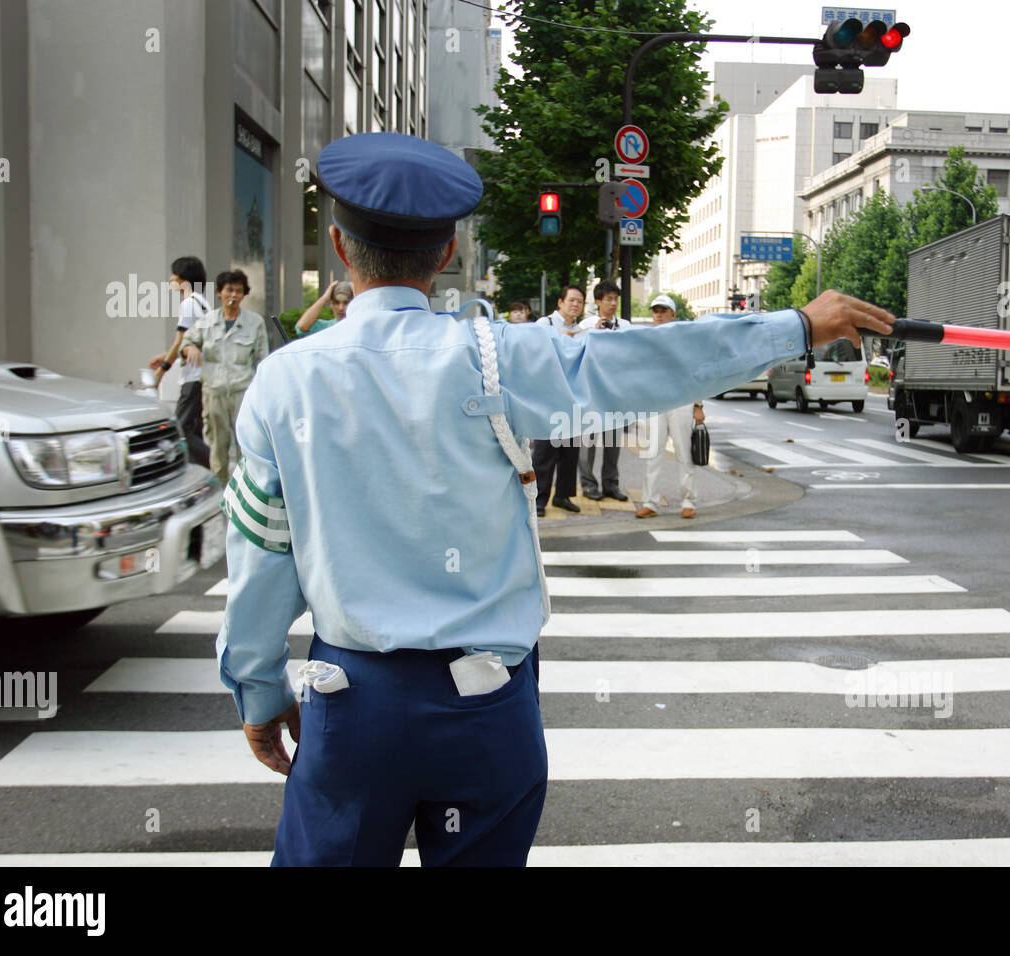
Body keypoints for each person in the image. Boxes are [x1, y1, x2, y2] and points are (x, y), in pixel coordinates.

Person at [215, 130, 893, 868]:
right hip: (486, 707)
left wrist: (256, 687)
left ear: (342, 251)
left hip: (351, 704)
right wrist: (793, 325)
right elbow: (645, 362)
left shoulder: (284, 382)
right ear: (444, 255)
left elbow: (261, 556)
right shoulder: (497, 355)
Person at [181, 268, 268, 488]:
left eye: (239, 291)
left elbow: (261, 361)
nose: (234, 295)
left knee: (246, 446)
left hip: (242, 394)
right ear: (219, 292)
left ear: (244, 294)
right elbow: (187, 341)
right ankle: (220, 493)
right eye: (229, 290)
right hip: (213, 393)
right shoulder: (207, 321)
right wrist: (190, 348)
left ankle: (245, 492)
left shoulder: (255, 322)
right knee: (217, 449)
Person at [635, 294, 704, 519]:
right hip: (655, 404)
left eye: (664, 311)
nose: (659, 315)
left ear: (673, 314)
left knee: (684, 454)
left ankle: (689, 502)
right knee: (652, 455)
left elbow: (697, 373)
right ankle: (650, 502)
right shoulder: (645, 340)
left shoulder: (686, 339)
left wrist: (698, 405)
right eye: (656, 311)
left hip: (681, 402)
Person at [148, 255, 211, 468]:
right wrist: (164, 356)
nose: (170, 278)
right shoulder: (202, 303)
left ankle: (214, 465)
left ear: (184, 279)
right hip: (204, 375)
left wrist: (162, 371)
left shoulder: (187, 305)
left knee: (182, 428)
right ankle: (200, 470)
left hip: (193, 377)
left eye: (174, 274)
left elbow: (180, 341)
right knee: (195, 430)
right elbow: (188, 342)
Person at [531, 285, 586, 515]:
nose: (576, 305)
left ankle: (562, 496)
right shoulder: (545, 325)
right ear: (560, 302)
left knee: (569, 450)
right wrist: (558, 338)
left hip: (572, 396)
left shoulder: (582, 330)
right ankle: (538, 499)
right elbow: (531, 350)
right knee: (545, 451)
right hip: (548, 396)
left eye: (580, 302)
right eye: (572, 300)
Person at [577, 280, 629, 502]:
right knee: (587, 440)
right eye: (608, 299)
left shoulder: (625, 326)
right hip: (591, 390)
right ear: (598, 302)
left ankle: (611, 484)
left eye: (615, 299)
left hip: (615, 392)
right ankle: (588, 484)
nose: (613, 303)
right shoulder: (586, 325)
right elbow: (576, 350)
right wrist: (593, 331)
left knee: (613, 441)